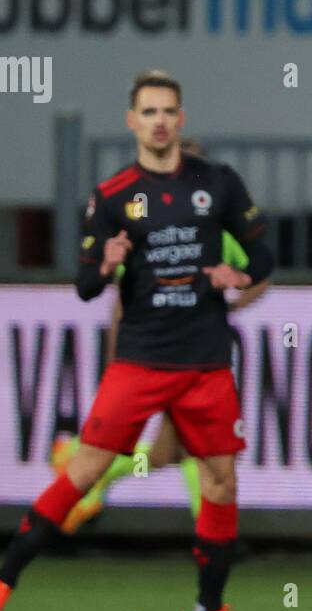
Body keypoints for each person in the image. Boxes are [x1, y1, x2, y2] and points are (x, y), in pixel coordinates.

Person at [0, 70, 275, 611]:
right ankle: (1, 580)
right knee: (83, 471)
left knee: (222, 481)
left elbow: (264, 257)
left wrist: (240, 273)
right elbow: (85, 285)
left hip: (205, 359)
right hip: (142, 357)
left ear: (180, 119)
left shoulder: (219, 184)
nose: (159, 121)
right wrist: (103, 264)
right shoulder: (111, 197)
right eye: (148, 112)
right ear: (132, 121)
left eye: (168, 111)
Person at [51, 138, 272, 533]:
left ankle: (85, 474)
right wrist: (121, 355)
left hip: (196, 353)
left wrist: (232, 299)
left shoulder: (215, 230)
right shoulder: (149, 229)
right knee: (185, 451)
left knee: (169, 451)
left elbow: (260, 273)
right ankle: (212, 533)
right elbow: (123, 298)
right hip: (162, 355)